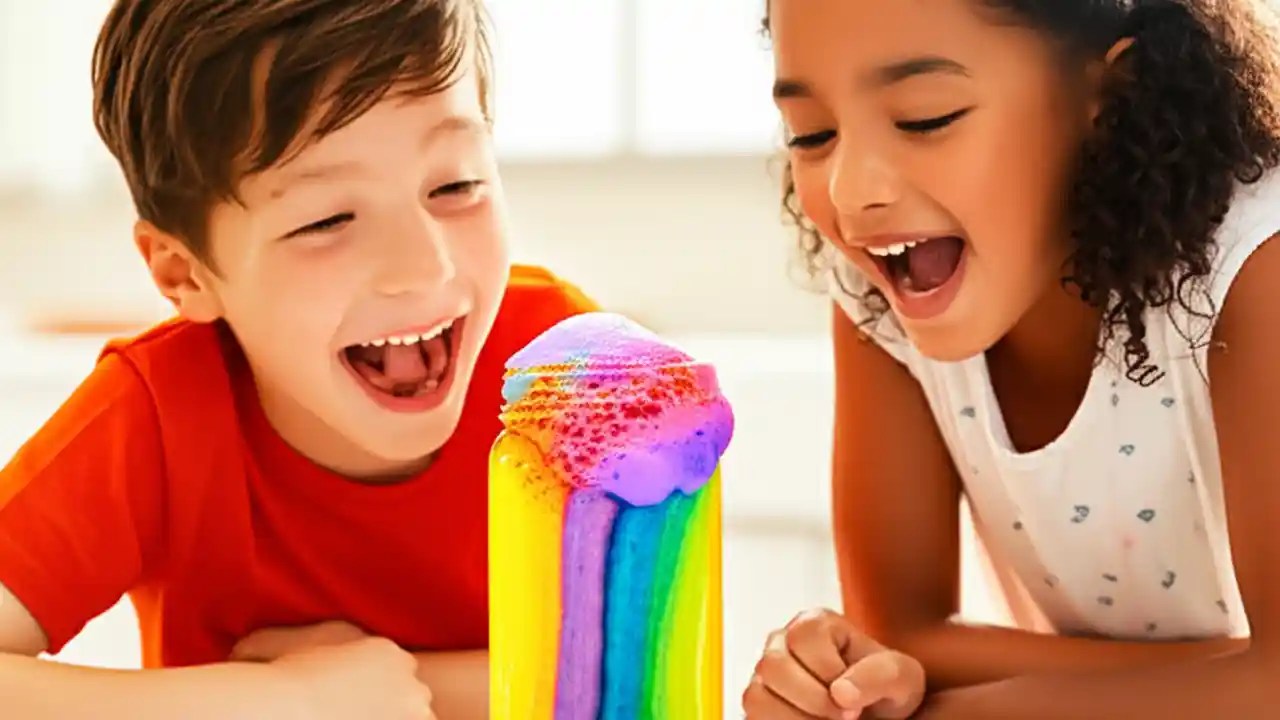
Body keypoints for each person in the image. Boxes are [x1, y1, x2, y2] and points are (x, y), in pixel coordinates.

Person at [0, 1, 597, 718]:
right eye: (327, 220)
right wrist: (281, 698)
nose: (422, 267)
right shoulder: (158, 413)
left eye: (455, 185)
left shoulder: (571, 376)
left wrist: (398, 686)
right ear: (185, 273)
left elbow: (649, 681)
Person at [747, 0, 1280, 717]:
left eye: (924, 117)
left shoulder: (1255, 264)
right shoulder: (885, 290)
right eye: (812, 134)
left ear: (1110, 94)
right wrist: (854, 680)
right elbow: (900, 636)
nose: (852, 191)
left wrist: (938, 708)